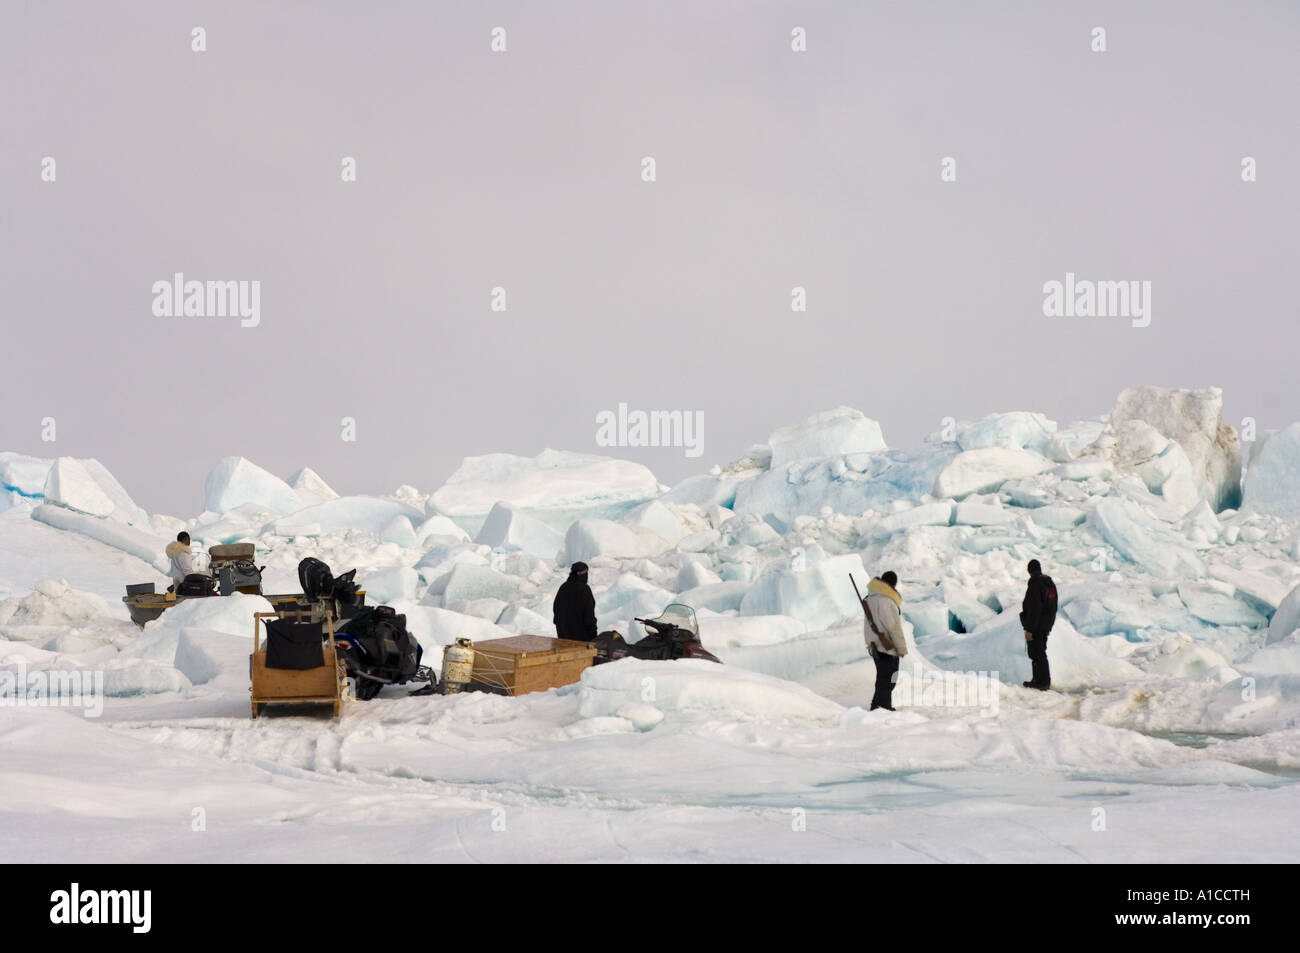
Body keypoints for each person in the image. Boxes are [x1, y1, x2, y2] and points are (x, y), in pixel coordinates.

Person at [862, 571, 907, 711]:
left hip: (874, 646)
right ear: (893, 584)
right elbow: (894, 628)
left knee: (882, 678)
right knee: (889, 679)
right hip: (887, 646)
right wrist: (901, 648)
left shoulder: (870, 598)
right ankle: (883, 707)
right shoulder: (887, 601)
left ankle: (877, 705)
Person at [1019, 559, 1058, 690]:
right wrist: (1048, 625)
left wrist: (1029, 629)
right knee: (1039, 652)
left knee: (1037, 653)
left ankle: (1042, 682)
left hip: (1036, 627)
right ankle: (1039, 680)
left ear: (1029, 571)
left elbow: (1034, 609)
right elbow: (1052, 607)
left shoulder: (1035, 586)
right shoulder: (1050, 584)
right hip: (1045, 625)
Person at [553, 561, 597, 642]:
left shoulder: (563, 587)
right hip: (581, 642)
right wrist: (593, 637)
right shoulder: (584, 589)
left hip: (563, 639)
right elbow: (589, 617)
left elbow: (556, 612)